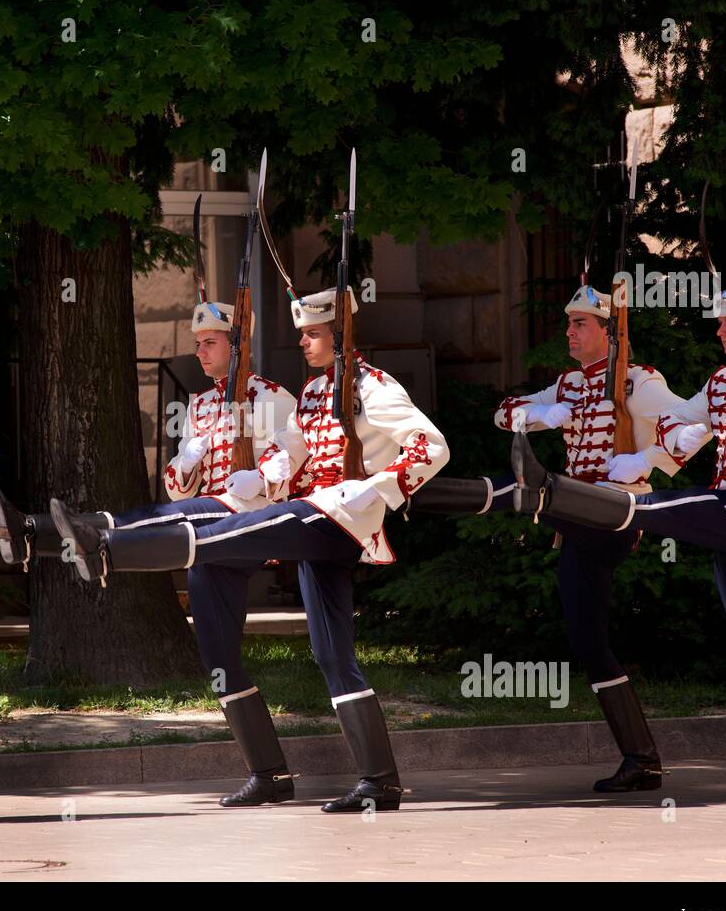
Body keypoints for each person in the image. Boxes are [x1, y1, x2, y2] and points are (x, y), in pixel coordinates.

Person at [48, 287, 449, 812]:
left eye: (312, 333)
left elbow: (431, 447)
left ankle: (107, 551)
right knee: (333, 655)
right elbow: (296, 454)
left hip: (341, 517)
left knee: (225, 535)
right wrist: (269, 473)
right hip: (312, 519)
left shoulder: (373, 386)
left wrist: (377, 488)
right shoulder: (309, 393)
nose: (302, 341)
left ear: (341, 335)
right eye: (301, 332)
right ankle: (377, 782)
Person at [509, 286, 726, 799]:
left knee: (667, 508)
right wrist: (659, 451)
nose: (719, 330)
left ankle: (555, 493)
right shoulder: (723, 380)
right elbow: (681, 418)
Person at [0, 298, 299, 806]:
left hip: (244, 525)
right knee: (219, 659)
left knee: (154, 520)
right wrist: (189, 456)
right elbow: (177, 487)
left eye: (210, 342)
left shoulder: (274, 399)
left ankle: (40, 533)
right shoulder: (199, 405)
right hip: (200, 527)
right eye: (198, 343)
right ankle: (271, 775)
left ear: (238, 344)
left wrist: (261, 477)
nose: (200, 351)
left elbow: (296, 464)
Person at [410, 285, 685, 792]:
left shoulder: (638, 381)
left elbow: (691, 424)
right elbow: (503, 412)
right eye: (569, 323)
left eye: (581, 324)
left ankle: (462, 493)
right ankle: (641, 759)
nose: (570, 331)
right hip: (577, 517)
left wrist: (645, 462)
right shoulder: (569, 384)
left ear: (609, 331)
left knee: (532, 493)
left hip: (617, 512)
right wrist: (539, 415)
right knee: (588, 640)